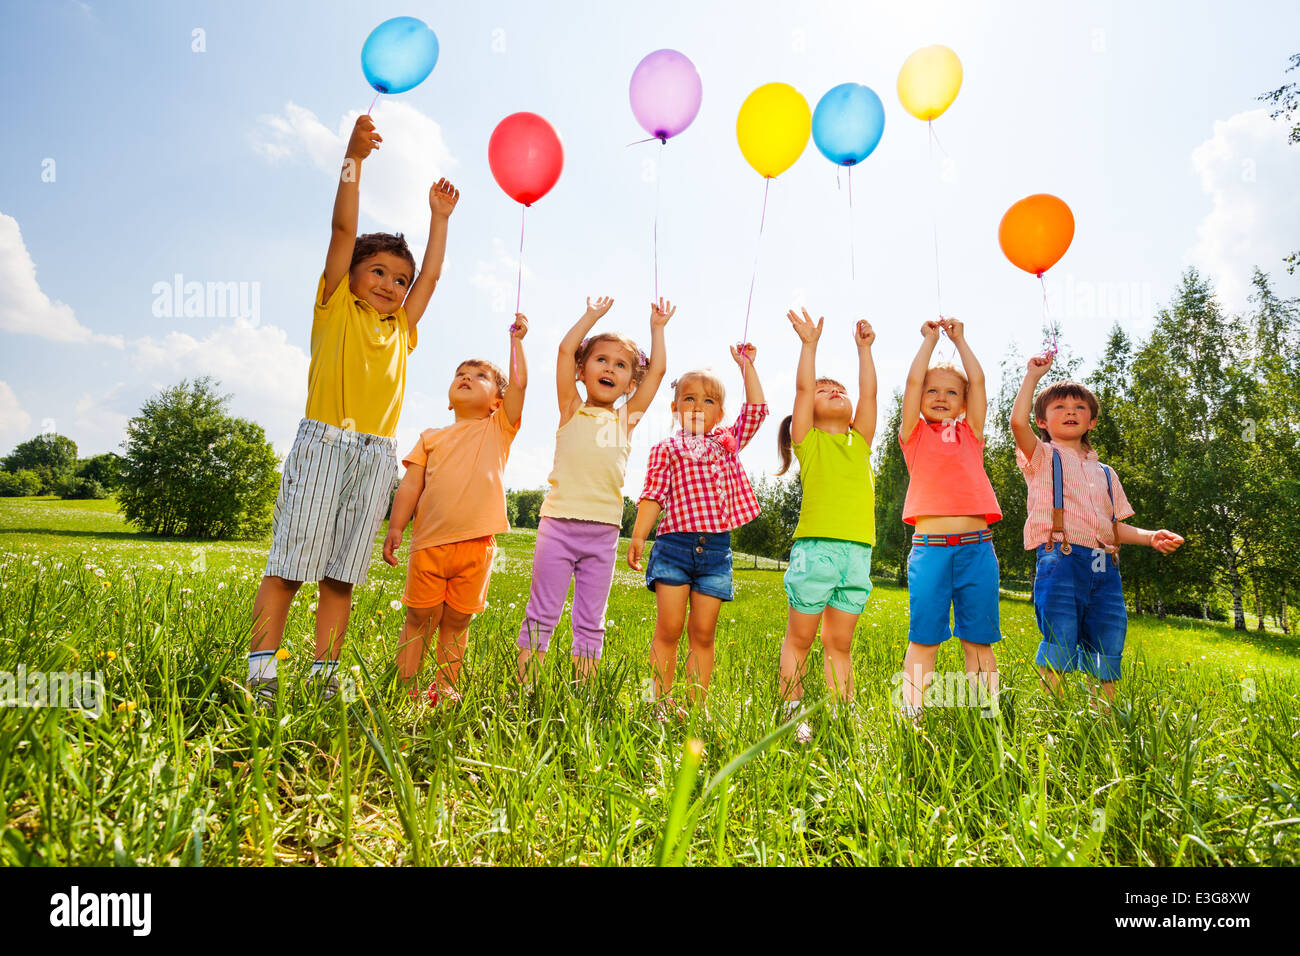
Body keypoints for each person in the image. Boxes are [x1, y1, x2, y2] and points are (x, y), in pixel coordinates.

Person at [247, 114, 459, 705]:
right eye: (380, 272)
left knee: (342, 574)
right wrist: (353, 159)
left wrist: (438, 219)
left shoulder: (403, 328)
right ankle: (261, 674)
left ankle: (323, 675)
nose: (392, 285)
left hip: (376, 458)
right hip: (324, 444)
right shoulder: (336, 304)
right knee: (290, 566)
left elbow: (435, 275)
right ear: (353, 275)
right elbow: (343, 228)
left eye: (400, 279)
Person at [515, 296, 673, 685]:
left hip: (603, 533)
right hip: (557, 526)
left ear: (629, 384)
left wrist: (657, 328)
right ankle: (525, 688)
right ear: (582, 371)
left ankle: (583, 691)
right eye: (601, 360)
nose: (609, 368)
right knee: (542, 612)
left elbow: (657, 374)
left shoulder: (626, 419)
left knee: (591, 619)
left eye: (620, 365)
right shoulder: (570, 408)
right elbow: (565, 349)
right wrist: (592, 316)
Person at [1010, 353, 1184, 704]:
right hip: (1062, 559)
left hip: (1105, 566)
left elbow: (1114, 527)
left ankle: (1101, 719)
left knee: (1107, 642)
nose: (1070, 411)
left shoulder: (1105, 472)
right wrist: (1032, 376)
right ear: (1042, 421)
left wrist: (1151, 537)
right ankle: (1054, 717)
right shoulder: (1042, 458)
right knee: (1059, 639)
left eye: (1079, 407)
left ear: (1091, 422)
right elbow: (1016, 423)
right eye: (1059, 407)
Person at [384, 320, 529, 706]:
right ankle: (406, 686)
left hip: (477, 546)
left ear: (496, 401)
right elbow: (411, 486)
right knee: (420, 616)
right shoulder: (431, 437)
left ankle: (445, 686)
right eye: (461, 374)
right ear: (450, 397)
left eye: (480, 376)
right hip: (429, 543)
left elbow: (519, 387)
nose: (467, 377)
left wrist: (516, 343)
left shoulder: (498, 427)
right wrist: (397, 526)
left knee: (456, 620)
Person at [628, 345, 768, 719]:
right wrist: (640, 535)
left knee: (703, 633)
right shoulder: (667, 449)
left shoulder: (727, 446)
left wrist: (747, 366)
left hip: (716, 552)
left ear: (720, 413)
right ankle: (656, 701)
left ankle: (695, 706)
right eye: (688, 398)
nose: (697, 406)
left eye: (708, 401)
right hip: (674, 546)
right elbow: (653, 494)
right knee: (669, 629)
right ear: (674, 408)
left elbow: (756, 410)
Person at [774, 308, 877, 743]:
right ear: (807, 413)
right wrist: (809, 345)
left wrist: (864, 351)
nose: (835, 392)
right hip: (816, 550)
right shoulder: (809, 441)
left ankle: (840, 712)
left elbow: (869, 398)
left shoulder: (860, 442)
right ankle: (793, 710)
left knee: (840, 644)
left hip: (858, 554)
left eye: (839, 389)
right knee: (800, 637)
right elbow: (802, 387)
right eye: (824, 390)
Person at [897, 318, 1003, 724]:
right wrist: (929, 341)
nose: (941, 397)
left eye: (951, 393)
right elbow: (910, 383)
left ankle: (986, 714)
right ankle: (913, 712)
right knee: (924, 637)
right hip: (930, 552)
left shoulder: (971, 433)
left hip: (978, 549)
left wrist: (960, 340)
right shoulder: (914, 435)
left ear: (963, 402)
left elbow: (978, 380)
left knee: (978, 639)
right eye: (932, 390)